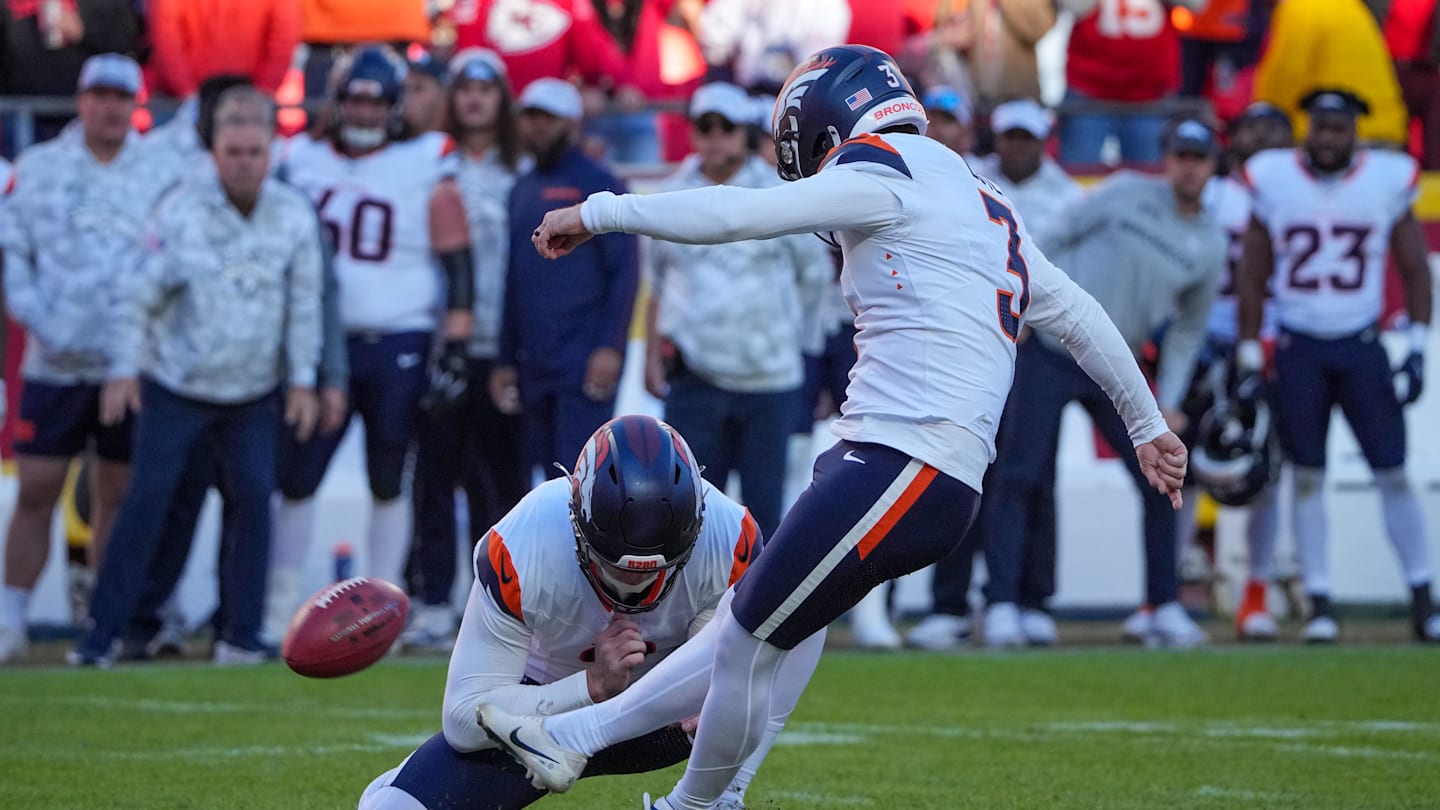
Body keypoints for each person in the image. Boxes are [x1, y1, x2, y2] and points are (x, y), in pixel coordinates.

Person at [479, 45, 1188, 809]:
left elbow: (738, 211)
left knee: (750, 631)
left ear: (832, 122)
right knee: (765, 626)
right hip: (901, 463)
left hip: (905, 462)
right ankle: (594, 748)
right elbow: (1077, 315)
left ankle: (689, 798)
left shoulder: (887, 173)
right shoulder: (980, 195)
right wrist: (1146, 423)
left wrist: (602, 212)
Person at [359, 415, 817, 810]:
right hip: (541, 717)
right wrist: (592, 686)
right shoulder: (525, 543)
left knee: (803, 595)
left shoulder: (727, 533)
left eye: (657, 572)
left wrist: (714, 692)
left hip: (658, 721)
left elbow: (726, 659)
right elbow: (463, 720)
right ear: (575, 519)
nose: (634, 587)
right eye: (615, 567)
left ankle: (721, 797)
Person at [67, 88, 324, 666]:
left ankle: (240, 635)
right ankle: (101, 636)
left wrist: (303, 380)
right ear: (213, 152)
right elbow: (137, 296)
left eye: (253, 151)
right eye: (232, 150)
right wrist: (123, 369)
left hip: (255, 390)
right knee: (147, 502)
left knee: (255, 500)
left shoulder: (292, 213)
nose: (243, 161)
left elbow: (306, 302)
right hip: (177, 385)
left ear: (271, 152)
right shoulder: (179, 209)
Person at [983, 118, 1223, 649]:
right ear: (1167, 158)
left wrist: (1173, 401)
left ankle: (1161, 604)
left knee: (1159, 473)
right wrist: (1021, 306)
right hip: (1050, 346)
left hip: (1119, 360)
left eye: (1198, 158)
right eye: (1180, 155)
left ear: (1211, 166)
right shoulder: (1123, 193)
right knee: (1021, 474)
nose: (1188, 166)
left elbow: (1187, 332)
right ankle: (1008, 602)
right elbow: (1045, 240)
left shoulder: (1210, 242)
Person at [1236, 88, 1439, 643]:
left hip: (1361, 344)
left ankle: (1424, 597)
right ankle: (1320, 600)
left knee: (1394, 472)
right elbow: (1253, 273)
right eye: (1320, 127)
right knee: (1307, 478)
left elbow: (1416, 270)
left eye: (1338, 128)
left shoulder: (1386, 179)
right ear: (1307, 129)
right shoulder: (1274, 177)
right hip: (1300, 347)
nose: (1328, 138)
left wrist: (1417, 346)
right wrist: (1252, 352)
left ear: (1356, 132)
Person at [277, 45, 475, 589]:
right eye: (355, 102)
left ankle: (381, 598)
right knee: (299, 474)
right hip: (321, 342)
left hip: (399, 338)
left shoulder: (426, 158)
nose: (365, 114)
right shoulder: (301, 158)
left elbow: (457, 259)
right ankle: (278, 599)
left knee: (389, 474)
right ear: (338, 102)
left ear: (394, 105)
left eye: (376, 102)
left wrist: (455, 344)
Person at [0, 54, 169, 664]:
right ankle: (11, 616)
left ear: (135, 103)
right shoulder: (40, 167)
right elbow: (12, 250)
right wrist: (42, 320)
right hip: (56, 359)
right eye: (99, 95)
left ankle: (102, 614)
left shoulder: (159, 168)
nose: (109, 107)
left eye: (121, 97)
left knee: (117, 490)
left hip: (129, 363)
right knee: (38, 485)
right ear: (80, 99)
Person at [907, 96, 1083, 651]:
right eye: (1009, 136)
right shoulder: (969, 182)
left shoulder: (1070, 199)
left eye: (1026, 137)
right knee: (962, 469)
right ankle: (952, 603)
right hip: (976, 343)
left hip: (1039, 352)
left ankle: (1029, 598)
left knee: (1029, 475)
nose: (1016, 146)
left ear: (1043, 139)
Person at [644, 81, 829, 541]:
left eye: (725, 126)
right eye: (704, 126)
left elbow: (815, 276)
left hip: (770, 380)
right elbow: (655, 284)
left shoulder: (781, 195)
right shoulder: (665, 196)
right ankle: (688, 614)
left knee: (762, 511)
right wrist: (651, 357)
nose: (714, 136)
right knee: (684, 510)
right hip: (694, 378)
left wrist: (792, 343)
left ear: (744, 132)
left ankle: (758, 613)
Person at [403, 49, 529, 651]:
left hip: (502, 347)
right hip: (439, 342)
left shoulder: (524, 169)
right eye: (465, 87)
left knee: (500, 486)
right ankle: (432, 600)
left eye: (488, 87)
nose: (476, 98)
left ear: (502, 99)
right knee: (433, 475)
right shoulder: (428, 161)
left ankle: (494, 606)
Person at [489, 78, 638, 484]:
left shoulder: (600, 185)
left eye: (548, 119)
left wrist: (610, 347)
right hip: (532, 359)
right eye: (531, 118)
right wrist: (505, 358)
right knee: (534, 484)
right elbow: (513, 278)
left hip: (583, 356)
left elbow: (624, 272)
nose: (537, 127)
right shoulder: (520, 188)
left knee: (582, 480)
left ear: (573, 124)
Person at [1185, 101, 1293, 641]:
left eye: (1273, 127)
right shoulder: (1210, 193)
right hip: (1202, 341)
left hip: (1270, 342)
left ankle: (1256, 590)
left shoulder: (1295, 195)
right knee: (1179, 466)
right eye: (1251, 126)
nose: (1261, 136)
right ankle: (1172, 586)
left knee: (1265, 472)